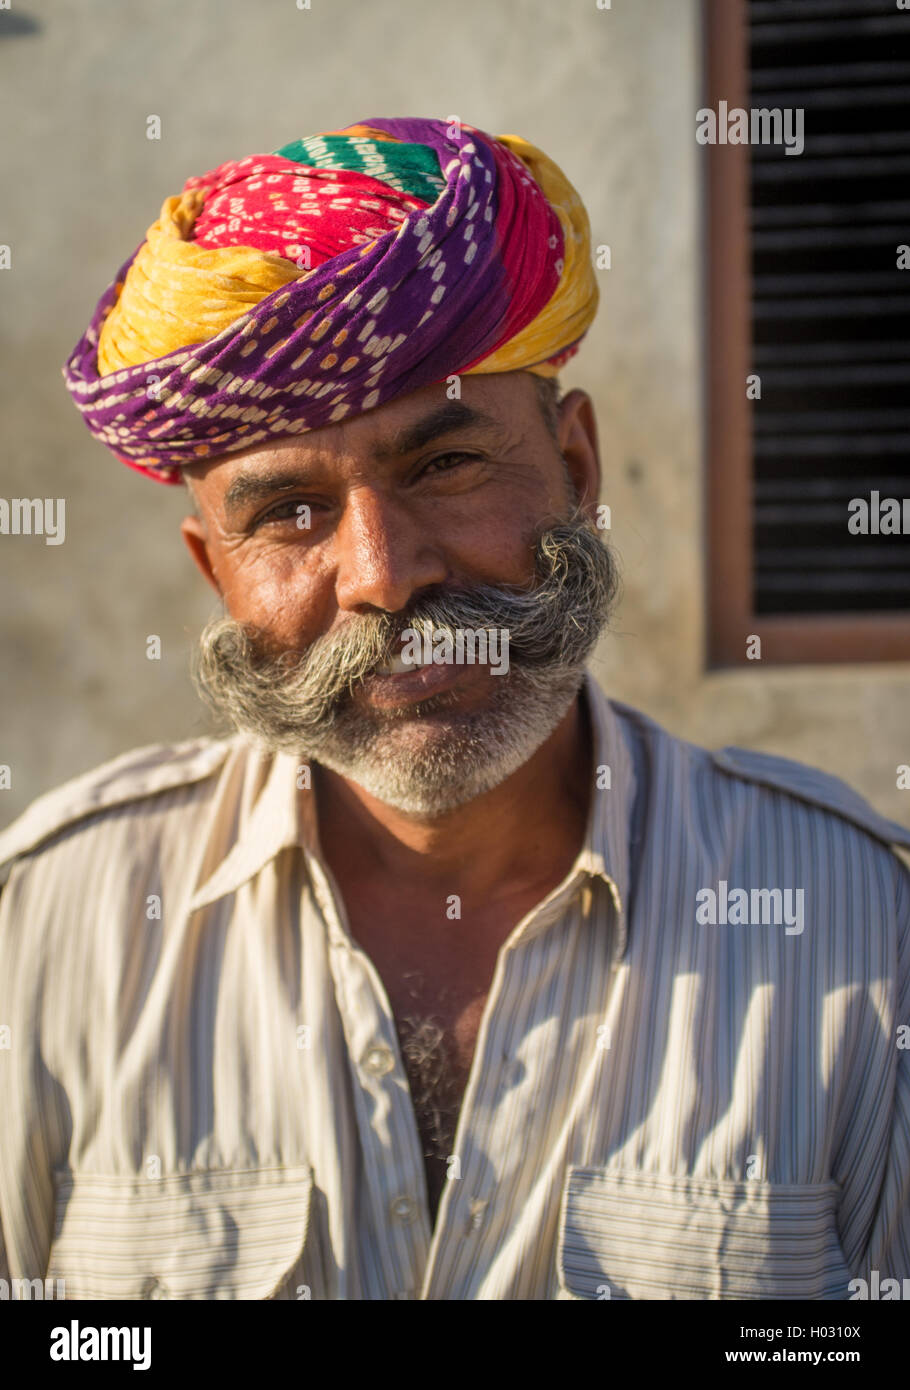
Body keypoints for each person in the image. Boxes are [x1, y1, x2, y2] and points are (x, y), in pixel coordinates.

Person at [0, 117, 908, 1302]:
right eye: (287, 515)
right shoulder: (49, 924)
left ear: (578, 470)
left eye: (446, 466)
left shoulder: (860, 929)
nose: (384, 574)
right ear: (212, 572)